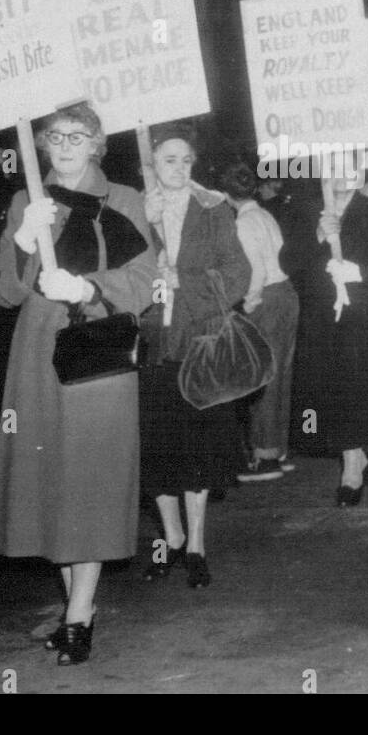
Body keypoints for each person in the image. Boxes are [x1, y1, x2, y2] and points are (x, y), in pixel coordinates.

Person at [0, 103, 156, 665]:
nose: (64, 145)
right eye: (54, 136)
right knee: (53, 480)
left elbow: (146, 279)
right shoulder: (24, 201)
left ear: (97, 142)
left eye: (77, 136)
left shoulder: (124, 199)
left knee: (91, 479)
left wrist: (86, 289)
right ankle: (75, 606)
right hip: (37, 350)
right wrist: (25, 242)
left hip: (98, 349)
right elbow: (0, 291)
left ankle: (79, 614)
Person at [139, 125, 250, 587]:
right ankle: (172, 538)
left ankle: (198, 546)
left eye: (186, 160)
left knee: (198, 444)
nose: (180, 169)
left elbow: (239, 272)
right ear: (151, 165)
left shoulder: (213, 208)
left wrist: (191, 287)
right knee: (157, 447)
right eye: (169, 160)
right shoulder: (135, 208)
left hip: (198, 341)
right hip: (150, 342)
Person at [283, 171, 368, 505]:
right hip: (322, 320)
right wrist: (318, 237)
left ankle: (363, 457)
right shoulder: (308, 210)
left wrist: (357, 273)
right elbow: (288, 263)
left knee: (361, 392)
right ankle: (352, 463)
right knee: (333, 394)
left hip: (363, 319)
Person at [216, 159, 299, 482]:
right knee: (281, 374)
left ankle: (264, 456)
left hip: (267, 297)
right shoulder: (265, 214)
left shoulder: (243, 223)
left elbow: (256, 271)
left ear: (226, 195)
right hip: (286, 294)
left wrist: (247, 304)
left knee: (262, 375)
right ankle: (277, 450)